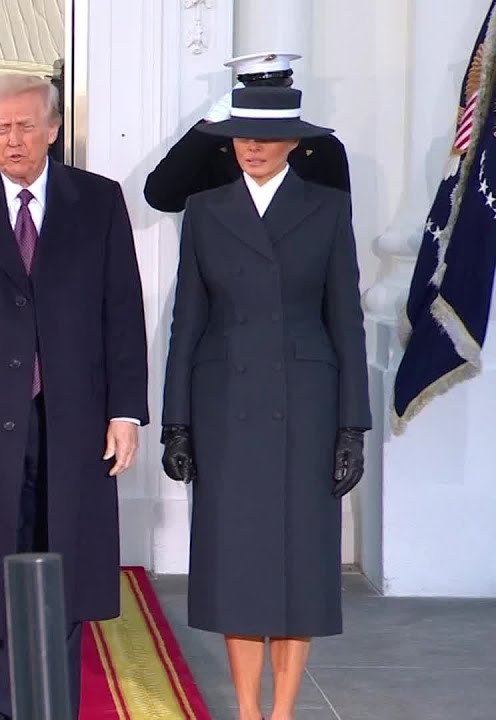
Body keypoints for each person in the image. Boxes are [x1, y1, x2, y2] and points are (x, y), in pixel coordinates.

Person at [0, 73, 149, 719]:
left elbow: (122, 311)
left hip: (71, 425)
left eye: (25, 125)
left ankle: (49, 705)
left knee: (62, 572)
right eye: (0, 126)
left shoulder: (97, 201)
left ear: (53, 128)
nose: (12, 139)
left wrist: (125, 412)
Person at [159, 86, 371, 720]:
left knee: (302, 561)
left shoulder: (328, 210)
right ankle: (249, 710)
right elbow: (186, 322)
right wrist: (178, 422)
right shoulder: (203, 209)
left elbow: (347, 320)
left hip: (308, 405)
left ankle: (283, 713)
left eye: (266, 135)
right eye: (241, 134)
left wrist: (351, 428)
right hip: (225, 406)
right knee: (239, 561)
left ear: (296, 143)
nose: (250, 145)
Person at [143, 52, 351, 213]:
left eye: (274, 89)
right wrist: (209, 125)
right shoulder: (218, 147)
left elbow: (337, 225)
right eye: (257, 91)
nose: (265, 99)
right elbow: (161, 196)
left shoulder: (323, 148)